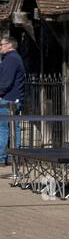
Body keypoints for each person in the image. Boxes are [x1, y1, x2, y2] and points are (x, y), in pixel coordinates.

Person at [0, 33, 25, 164]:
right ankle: (13, 157)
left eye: (1, 45)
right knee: (14, 128)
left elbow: (6, 82)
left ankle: (2, 158)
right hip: (14, 98)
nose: (0, 47)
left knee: (3, 128)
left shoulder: (11, 59)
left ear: (9, 45)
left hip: (8, 99)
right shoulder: (13, 58)